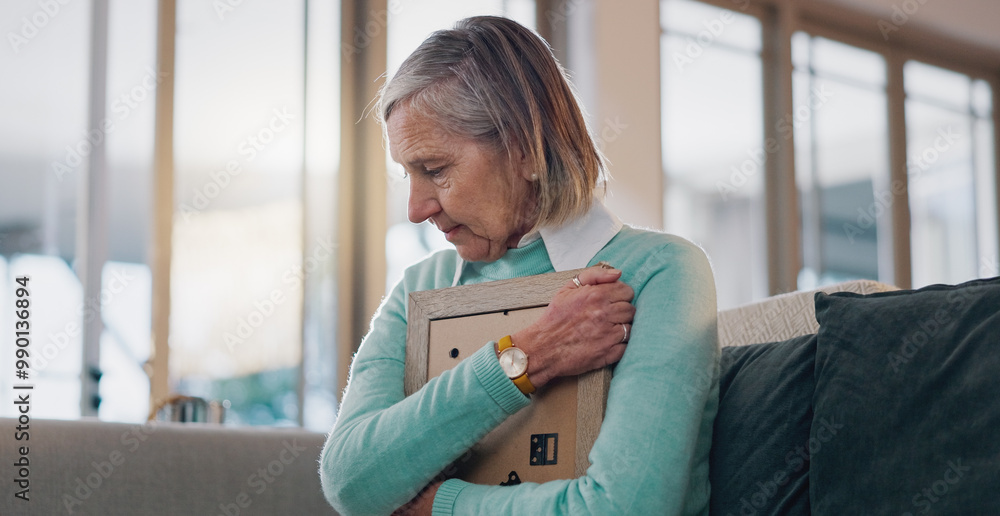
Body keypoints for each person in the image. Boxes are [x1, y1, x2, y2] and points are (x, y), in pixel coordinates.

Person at [320, 16, 719, 516]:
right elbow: (350, 482)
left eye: (436, 171)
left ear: (527, 150)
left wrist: (437, 507)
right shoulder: (420, 288)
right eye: (407, 174)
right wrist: (527, 357)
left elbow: (627, 508)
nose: (415, 208)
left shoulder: (662, 272)